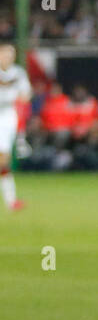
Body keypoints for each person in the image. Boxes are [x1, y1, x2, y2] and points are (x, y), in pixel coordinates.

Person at [0, 44, 32, 209]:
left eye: (10, 55)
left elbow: (26, 94)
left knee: (3, 159)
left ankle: (11, 200)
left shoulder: (18, 72)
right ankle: (11, 200)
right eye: (4, 54)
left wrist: (22, 96)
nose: (7, 57)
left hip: (6, 116)